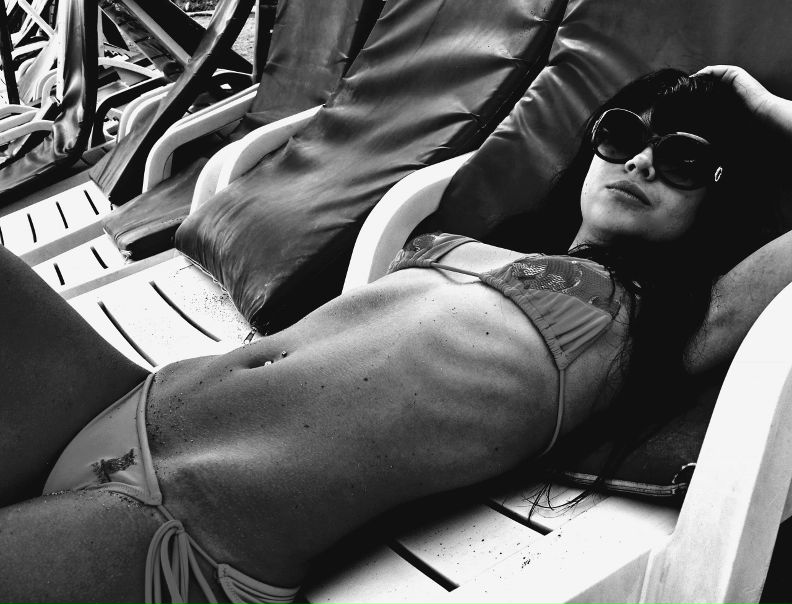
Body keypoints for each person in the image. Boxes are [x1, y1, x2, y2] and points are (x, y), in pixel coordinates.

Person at [0, 65, 790, 603]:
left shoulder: (669, 320)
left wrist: (758, 104)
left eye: (685, 162)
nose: (642, 162)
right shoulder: (484, 244)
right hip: (128, 400)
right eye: (621, 137)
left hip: (188, 524)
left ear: (721, 202)